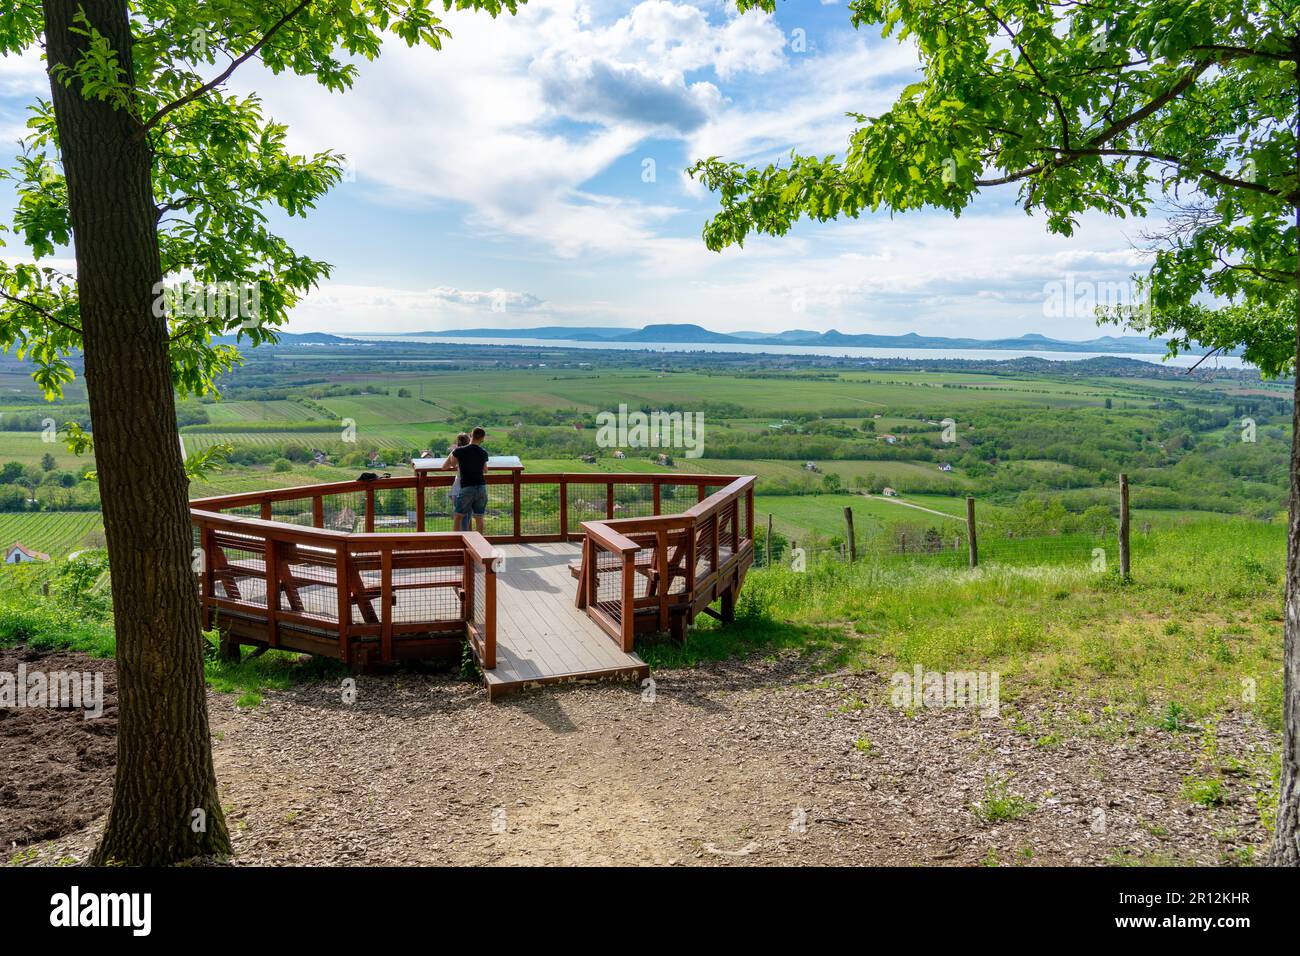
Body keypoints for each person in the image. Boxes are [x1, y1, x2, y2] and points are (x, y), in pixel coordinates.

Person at [443, 426, 489, 534]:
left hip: (467, 487)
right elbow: (485, 470)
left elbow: (453, 464)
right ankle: (479, 544)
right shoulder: (483, 452)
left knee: (458, 516)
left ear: (471, 435)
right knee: (479, 518)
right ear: (482, 438)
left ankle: (455, 542)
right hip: (481, 487)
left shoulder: (460, 451)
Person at [446, 433, 470, 530]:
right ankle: (466, 541)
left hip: (458, 489)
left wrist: (453, 452)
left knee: (461, 519)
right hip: (470, 489)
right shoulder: (473, 453)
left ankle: (459, 541)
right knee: (466, 519)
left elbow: (445, 466)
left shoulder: (457, 453)